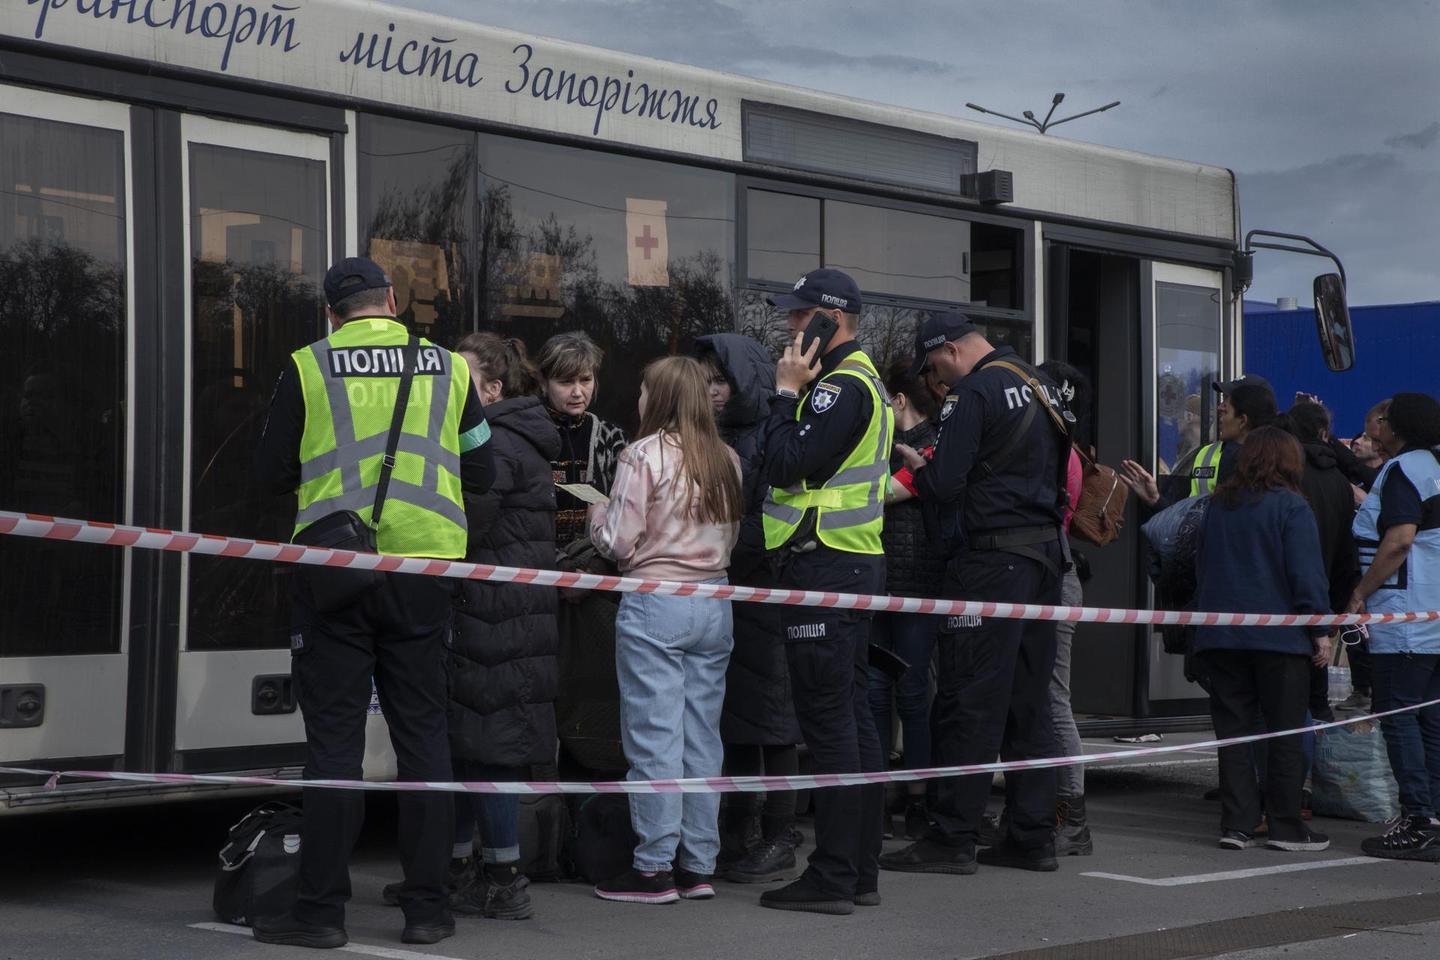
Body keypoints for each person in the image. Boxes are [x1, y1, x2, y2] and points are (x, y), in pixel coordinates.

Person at [252, 257, 495, 949]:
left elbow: (270, 472)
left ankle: (321, 914)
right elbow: (480, 465)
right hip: (424, 571)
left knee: (334, 745)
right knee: (424, 739)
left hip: (334, 573)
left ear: (333, 313)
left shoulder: (309, 365)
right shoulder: (449, 368)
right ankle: (427, 910)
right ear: (391, 300)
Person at [880, 311, 1068, 876]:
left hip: (990, 561)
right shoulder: (1042, 385)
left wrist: (922, 468)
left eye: (935, 367)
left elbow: (944, 484)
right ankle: (1033, 835)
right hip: (1044, 558)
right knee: (1028, 701)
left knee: (965, 699)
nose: (936, 380)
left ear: (951, 351)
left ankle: (950, 836)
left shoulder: (975, 392)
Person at [757, 268, 894, 915]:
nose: (788, 327)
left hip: (824, 569)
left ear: (827, 320)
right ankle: (858, 871)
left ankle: (835, 874)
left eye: (797, 316)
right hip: (846, 566)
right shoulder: (861, 381)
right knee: (856, 722)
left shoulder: (840, 388)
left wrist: (785, 393)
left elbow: (785, 463)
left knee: (832, 725)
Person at [589, 356, 744, 904]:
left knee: (654, 736)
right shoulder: (726, 458)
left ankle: (653, 867)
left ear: (659, 399)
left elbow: (619, 542)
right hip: (714, 600)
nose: (637, 399)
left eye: (642, 390)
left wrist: (596, 515)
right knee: (702, 737)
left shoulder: (642, 454)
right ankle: (698, 866)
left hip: (656, 600)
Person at [443, 333, 560, 919]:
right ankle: (459, 868)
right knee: (466, 743)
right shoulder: (501, 435)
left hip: (499, 613)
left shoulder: (500, 442)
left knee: (489, 751)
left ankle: (504, 877)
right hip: (492, 608)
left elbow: (470, 519)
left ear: (492, 388)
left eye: (462, 381)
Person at [693, 335, 805, 884]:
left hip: (764, 590)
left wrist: (717, 545)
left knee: (773, 721)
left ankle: (781, 835)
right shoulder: (706, 436)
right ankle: (739, 833)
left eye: (722, 380)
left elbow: (774, 514)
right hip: (721, 590)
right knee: (734, 721)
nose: (712, 390)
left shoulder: (767, 436)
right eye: (706, 380)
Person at [1190, 427, 1332, 852]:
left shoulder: (1217, 505)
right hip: (1280, 638)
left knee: (1233, 734)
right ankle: (1286, 826)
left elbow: (1202, 565)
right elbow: (1306, 575)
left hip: (1221, 634)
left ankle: (1237, 823)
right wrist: (1319, 629)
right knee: (1283, 733)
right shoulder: (1292, 506)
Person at [1349, 392, 1440, 861]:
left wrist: (1361, 592)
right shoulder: (1435, 468)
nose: (1374, 428)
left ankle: (1418, 819)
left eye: (1381, 420)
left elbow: (1400, 540)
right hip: (1433, 620)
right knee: (1429, 721)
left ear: (1398, 426)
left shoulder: (1406, 470)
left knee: (1400, 719)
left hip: (1404, 616)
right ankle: (1432, 818)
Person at [869, 359, 943, 842]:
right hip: (879, 583)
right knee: (876, 697)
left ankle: (918, 798)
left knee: (913, 699)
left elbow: (883, 494)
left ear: (898, 401)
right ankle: (877, 799)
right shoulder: (879, 447)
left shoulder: (936, 443)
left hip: (915, 588)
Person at [1276, 401, 1360, 724]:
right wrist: (1334, 611)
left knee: (1283, 707)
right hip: (1321, 600)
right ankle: (1319, 763)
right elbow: (1344, 552)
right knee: (1317, 695)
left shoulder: (1286, 477)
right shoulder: (1340, 482)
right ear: (1325, 433)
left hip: (1284, 605)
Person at [1119, 376, 1278, 511]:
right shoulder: (1205, 453)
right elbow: (1184, 515)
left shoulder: (1278, 462)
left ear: (1245, 416)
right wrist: (1156, 500)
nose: (1221, 407)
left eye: (1229, 400)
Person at [538, 332, 627, 548]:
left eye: (586, 380)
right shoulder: (530, 431)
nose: (578, 392)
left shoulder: (610, 437)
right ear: (544, 383)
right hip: (539, 560)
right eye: (566, 382)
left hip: (594, 561)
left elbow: (623, 509)